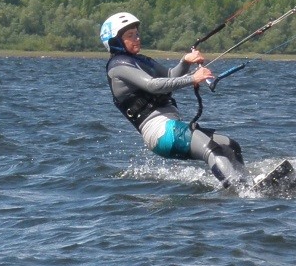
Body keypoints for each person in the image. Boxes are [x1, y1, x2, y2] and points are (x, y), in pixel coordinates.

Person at [100, 12, 252, 188]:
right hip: (159, 131)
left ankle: (249, 183)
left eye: (137, 33)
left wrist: (185, 62)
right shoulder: (118, 66)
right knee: (212, 149)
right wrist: (192, 78)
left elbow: (170, 76)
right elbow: (152, 85)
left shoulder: (140, 61)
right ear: (115, 41)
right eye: (130, 36)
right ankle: (240, 189)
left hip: (171, 126)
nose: (137, 38)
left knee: (230, 145)